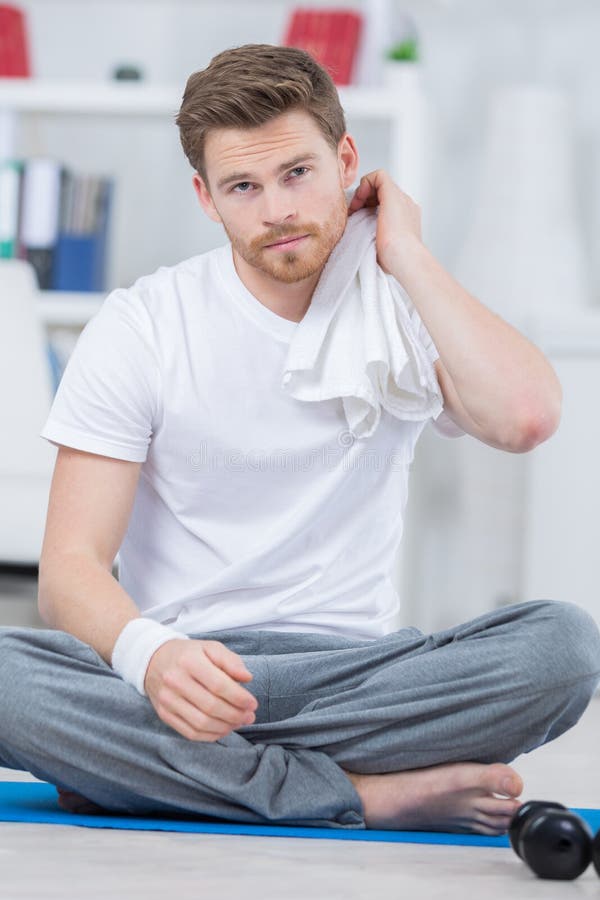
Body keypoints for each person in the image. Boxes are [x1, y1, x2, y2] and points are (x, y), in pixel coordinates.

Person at [1, 43, 598, 835]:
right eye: (243, 187)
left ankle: (166, 777)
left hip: (359, 678)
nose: (277, 209)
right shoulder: (142, 325)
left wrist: (408, 254)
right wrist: (152, 656)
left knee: (563, 648)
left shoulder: (399, 305)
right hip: (186, 674)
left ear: (347, 160)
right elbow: (69, 570)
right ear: (207, 200)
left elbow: (527, 417)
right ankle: (366, 794)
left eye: (298, 174)